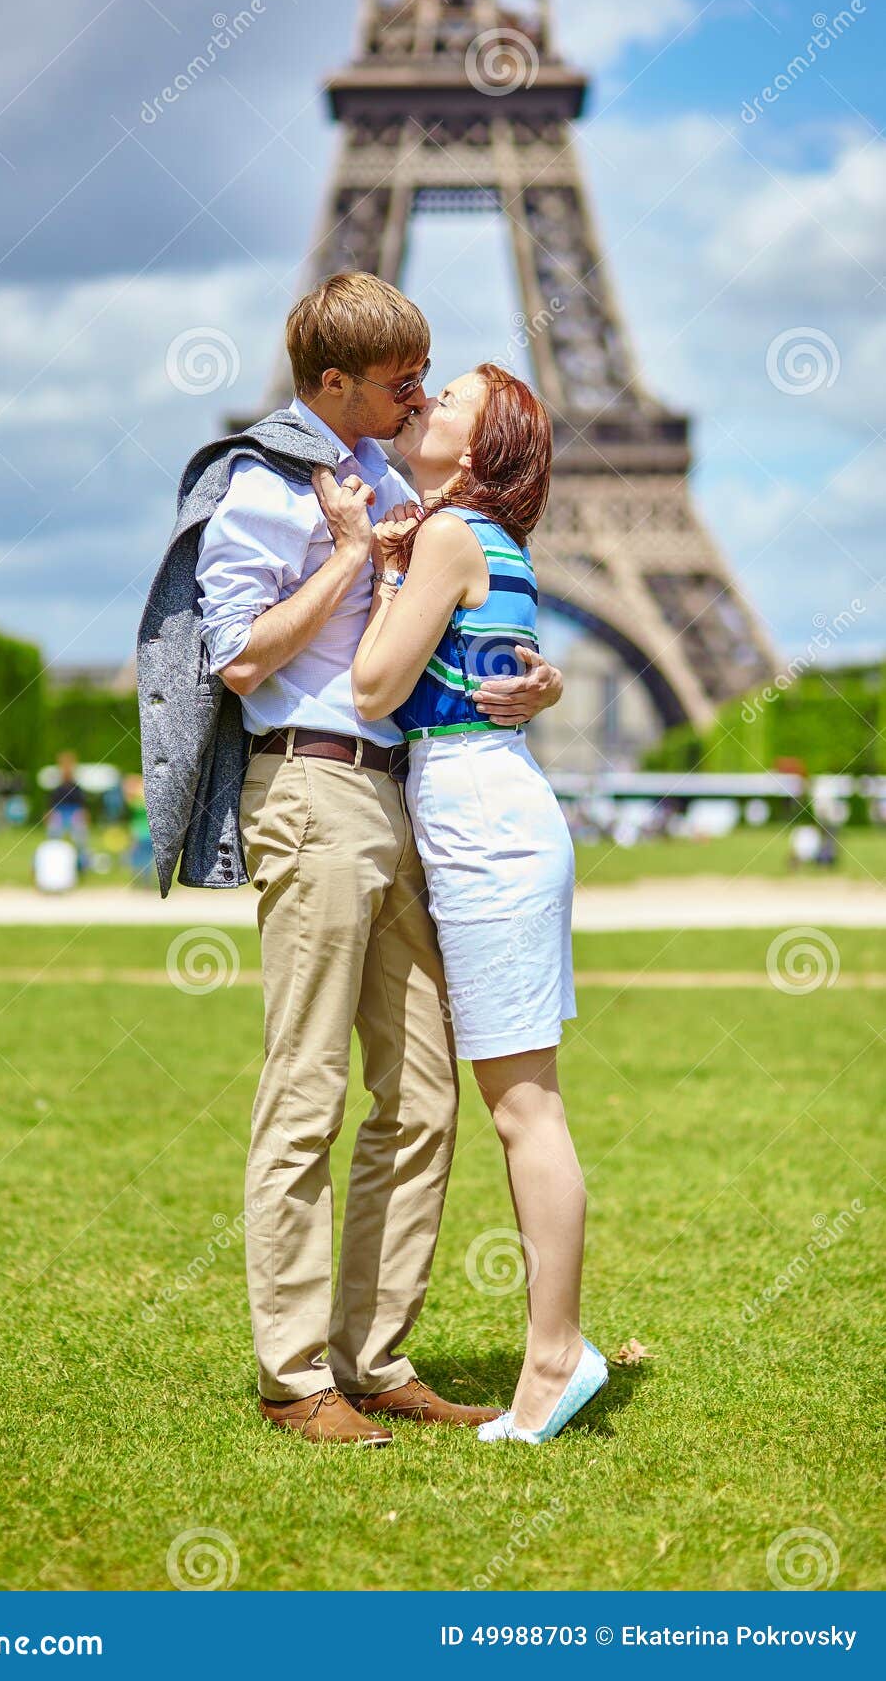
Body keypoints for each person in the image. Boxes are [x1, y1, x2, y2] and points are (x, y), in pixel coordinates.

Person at [175, 272, 565, 1444]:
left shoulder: (402, 485)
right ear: (332, 382)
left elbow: (459, 636)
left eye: (426, 377)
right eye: (402, 378)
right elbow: (235, 658)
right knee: (306, 1087)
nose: (416, 394)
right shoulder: (260, 481)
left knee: (427, 1093)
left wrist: (533, 681)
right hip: (310, 783)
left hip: (404, 794)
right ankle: (296, 1375)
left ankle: (376, 1352)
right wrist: (349, 559)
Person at [314, 362, 607, 1445]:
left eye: (447, 406)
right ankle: (555, 1346)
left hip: (481, 824)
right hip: (490, 811)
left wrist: (372, 559)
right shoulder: (493, 544)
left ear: (478, 454)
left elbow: (374, 688)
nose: (424, 405)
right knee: (521, 1105)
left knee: (523, 1109)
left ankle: (551, 1359)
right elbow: (498, 668)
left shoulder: (443, 538)